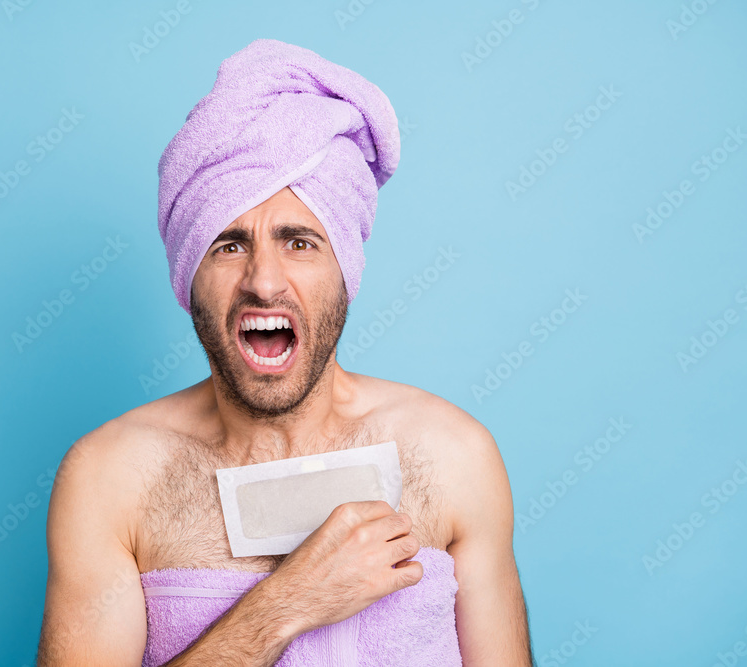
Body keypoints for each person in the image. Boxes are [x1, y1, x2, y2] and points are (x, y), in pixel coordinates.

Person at [37, 39, 533, 666]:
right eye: (229, 245)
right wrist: (288, 603)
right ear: (189, 274)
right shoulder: (110, 480)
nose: (264, 281)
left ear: (345, 271)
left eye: (299, 242)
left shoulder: (454, 455)